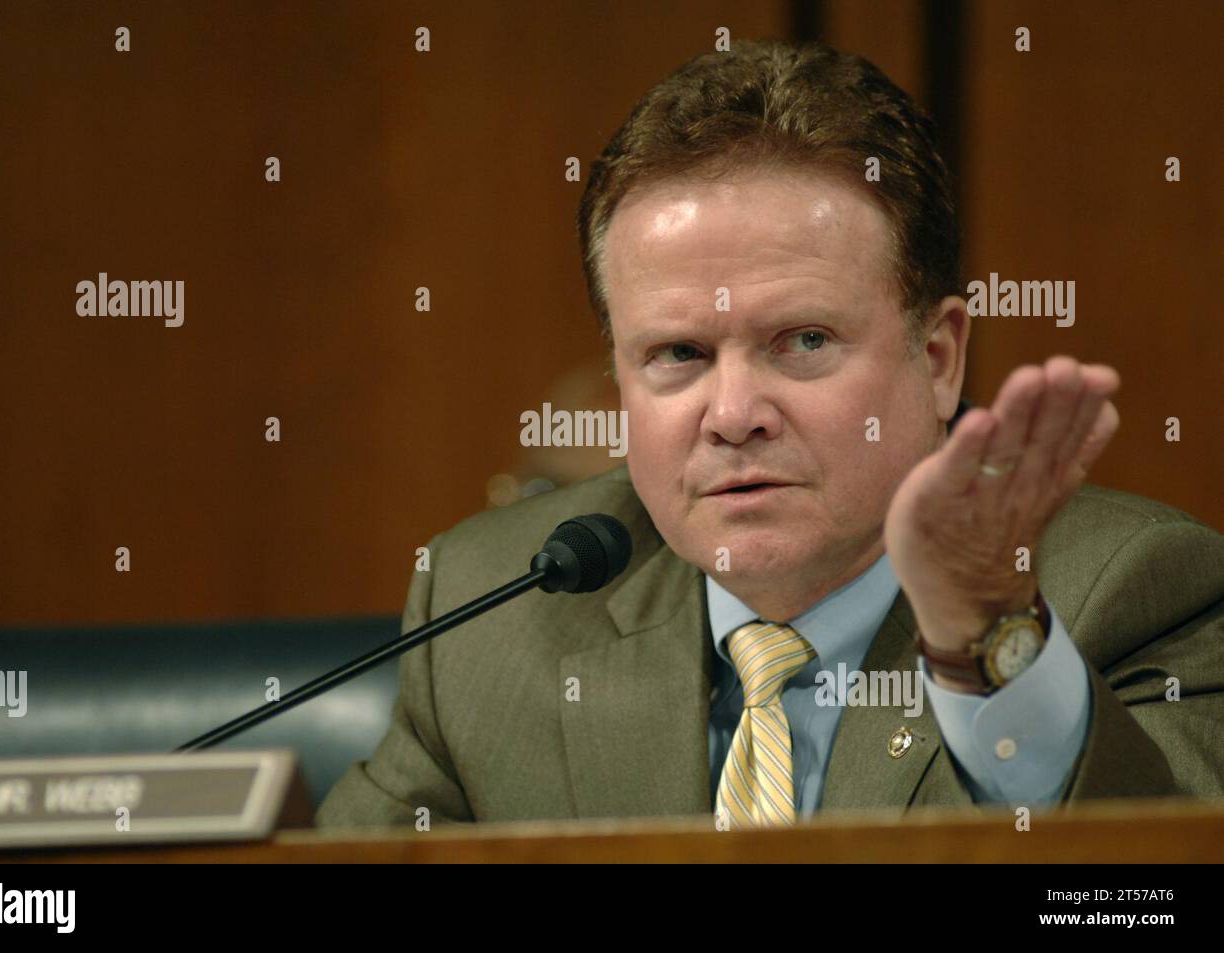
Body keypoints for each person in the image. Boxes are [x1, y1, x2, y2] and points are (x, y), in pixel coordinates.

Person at [316, 39, 1224, 829]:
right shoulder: (494, 616)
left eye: (804, 341)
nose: (733, 412)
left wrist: (988, 641)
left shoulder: (1132, 593)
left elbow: (1141, 906)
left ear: (940, 356)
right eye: (678, 352)